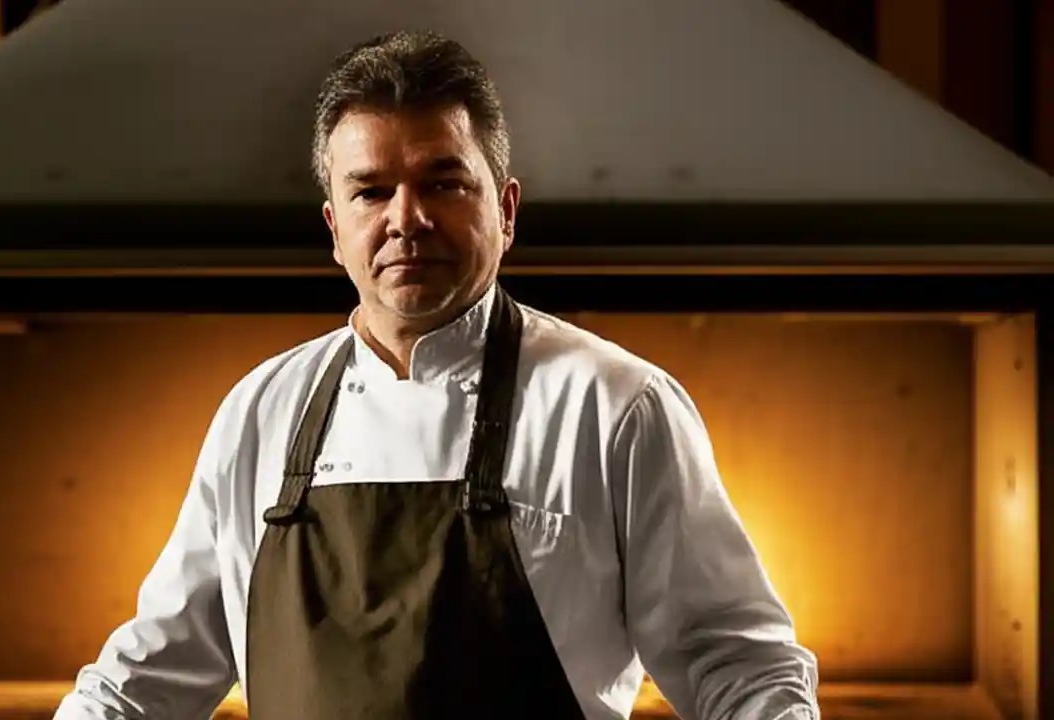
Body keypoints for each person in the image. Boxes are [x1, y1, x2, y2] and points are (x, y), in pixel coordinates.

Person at [54, 29, 819, 720]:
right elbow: (144, 680)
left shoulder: (617, 408)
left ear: (507, 209)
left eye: (444, 183)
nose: (406, 219)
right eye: (372, 190)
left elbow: (738, 668)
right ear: (335, 227)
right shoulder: (261, 411)